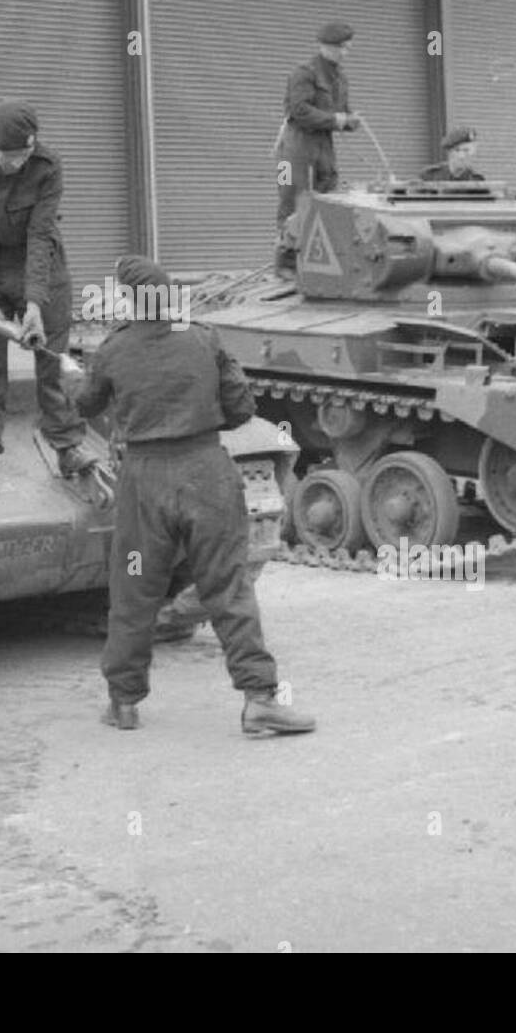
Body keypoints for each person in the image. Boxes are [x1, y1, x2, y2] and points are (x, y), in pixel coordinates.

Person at [72, 254, 316, 736]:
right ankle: (260, 699)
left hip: (144, 481)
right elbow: (242, 409)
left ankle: (123, 702)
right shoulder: (204, 338)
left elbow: (85, 406)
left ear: (129, 299)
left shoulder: (113, 350)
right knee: (228, 586)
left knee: (133, 592)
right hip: (207, 474)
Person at [0, 102, 94, 496]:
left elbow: (40, 233)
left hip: (43, 265)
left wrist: (34, 304)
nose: (19, 162)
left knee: (52, 361)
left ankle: (67, 446)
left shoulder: (47, 166)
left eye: (26, 153)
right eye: (12, 156)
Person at [274, 22, 358, 275]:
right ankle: (286, 262)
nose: (345, 53)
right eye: (341, 48)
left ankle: (320, 262)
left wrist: (350, 120)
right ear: (325, 47)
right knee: (293, 197)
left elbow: (340, 110)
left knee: (327, 194)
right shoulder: (304, 73)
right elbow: (298, 111)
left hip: (323, 144)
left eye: (347, 48)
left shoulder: (340, 77)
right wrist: (335, 120)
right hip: (294, 147)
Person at [420, 126, 484, 181]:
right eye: (457, 150)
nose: (462, 156)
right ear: (449, 152)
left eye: (466, 151)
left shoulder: (475, 180)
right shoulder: (431, 176)